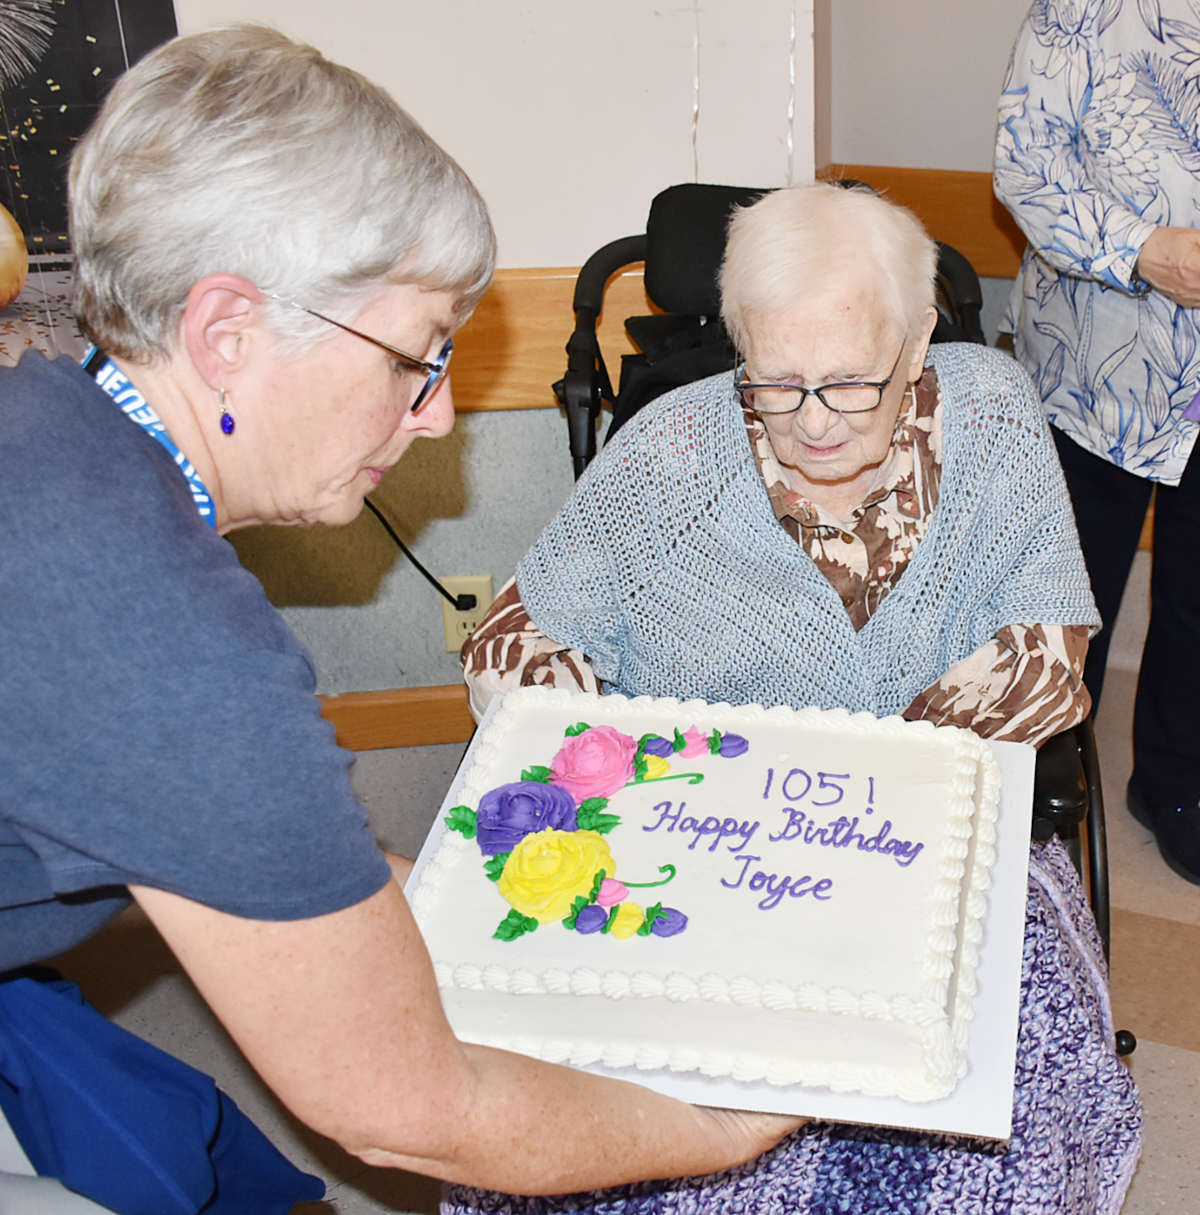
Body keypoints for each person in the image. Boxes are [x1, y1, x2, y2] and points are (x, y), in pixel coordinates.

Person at [0, 25, 806, 1210]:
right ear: (227, 335)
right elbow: (421, 1115)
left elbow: (274, 845)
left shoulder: (48, 420)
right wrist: (716, 1126)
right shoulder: (162, 640)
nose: (433, 418)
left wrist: (471, 888)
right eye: (416, 357)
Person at [459, 182, 1142, 1214]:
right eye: (776, 383)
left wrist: (858, 803)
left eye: (850, 383)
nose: (814, 422)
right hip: (708, 848)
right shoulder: (668, 454)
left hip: (949, 836)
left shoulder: (994, 415)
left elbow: (1048, 655)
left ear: (917, 341)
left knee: (997, 1096)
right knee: (610, 1127)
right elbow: (512, 646)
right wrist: (626, 768)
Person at [995, 0, 1200, 884]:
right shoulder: (1082, 7)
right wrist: (1143, 248)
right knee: (1071, 604)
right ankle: (1044, 797)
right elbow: (1025, 162)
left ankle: (1176, 786)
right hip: (1096, 363)